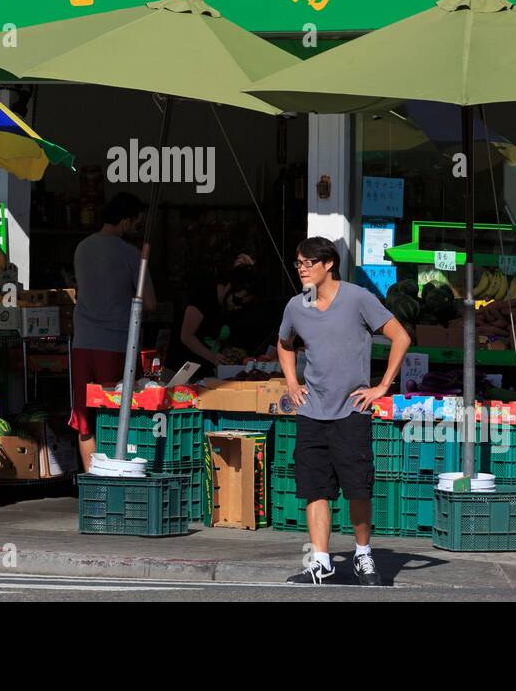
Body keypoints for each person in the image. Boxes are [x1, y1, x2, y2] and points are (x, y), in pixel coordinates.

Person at [278, 236, 411, 586]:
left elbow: (400, 336)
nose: (302, 268)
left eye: (308, 262)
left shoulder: (358, 298)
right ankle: (320, 562)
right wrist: (292, 382)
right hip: (312, 411)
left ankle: (363, 556)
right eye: (298, 263)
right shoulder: (297, 306)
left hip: (352, 410)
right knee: (314, 489)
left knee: (358, 488)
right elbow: (284, 343)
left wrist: (382, 386)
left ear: (328, 264)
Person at [68, 191, 156, 469]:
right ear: (127, 221)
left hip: (82, 342)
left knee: (85, 421)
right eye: (136, 223)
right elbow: (150, 303)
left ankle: (93, 487)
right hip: (115, 344)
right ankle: (115, 478)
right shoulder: (130, 254)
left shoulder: (82, 247)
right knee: (114, 415)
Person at [167, 258, 258, 376]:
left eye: (243, 305)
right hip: (179, 370)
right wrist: (212, 357)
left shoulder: (229, 309)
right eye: (237, 300)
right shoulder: (204, 296)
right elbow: (186, 336)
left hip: (205, 373)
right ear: (229, 287)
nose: (238, 307)